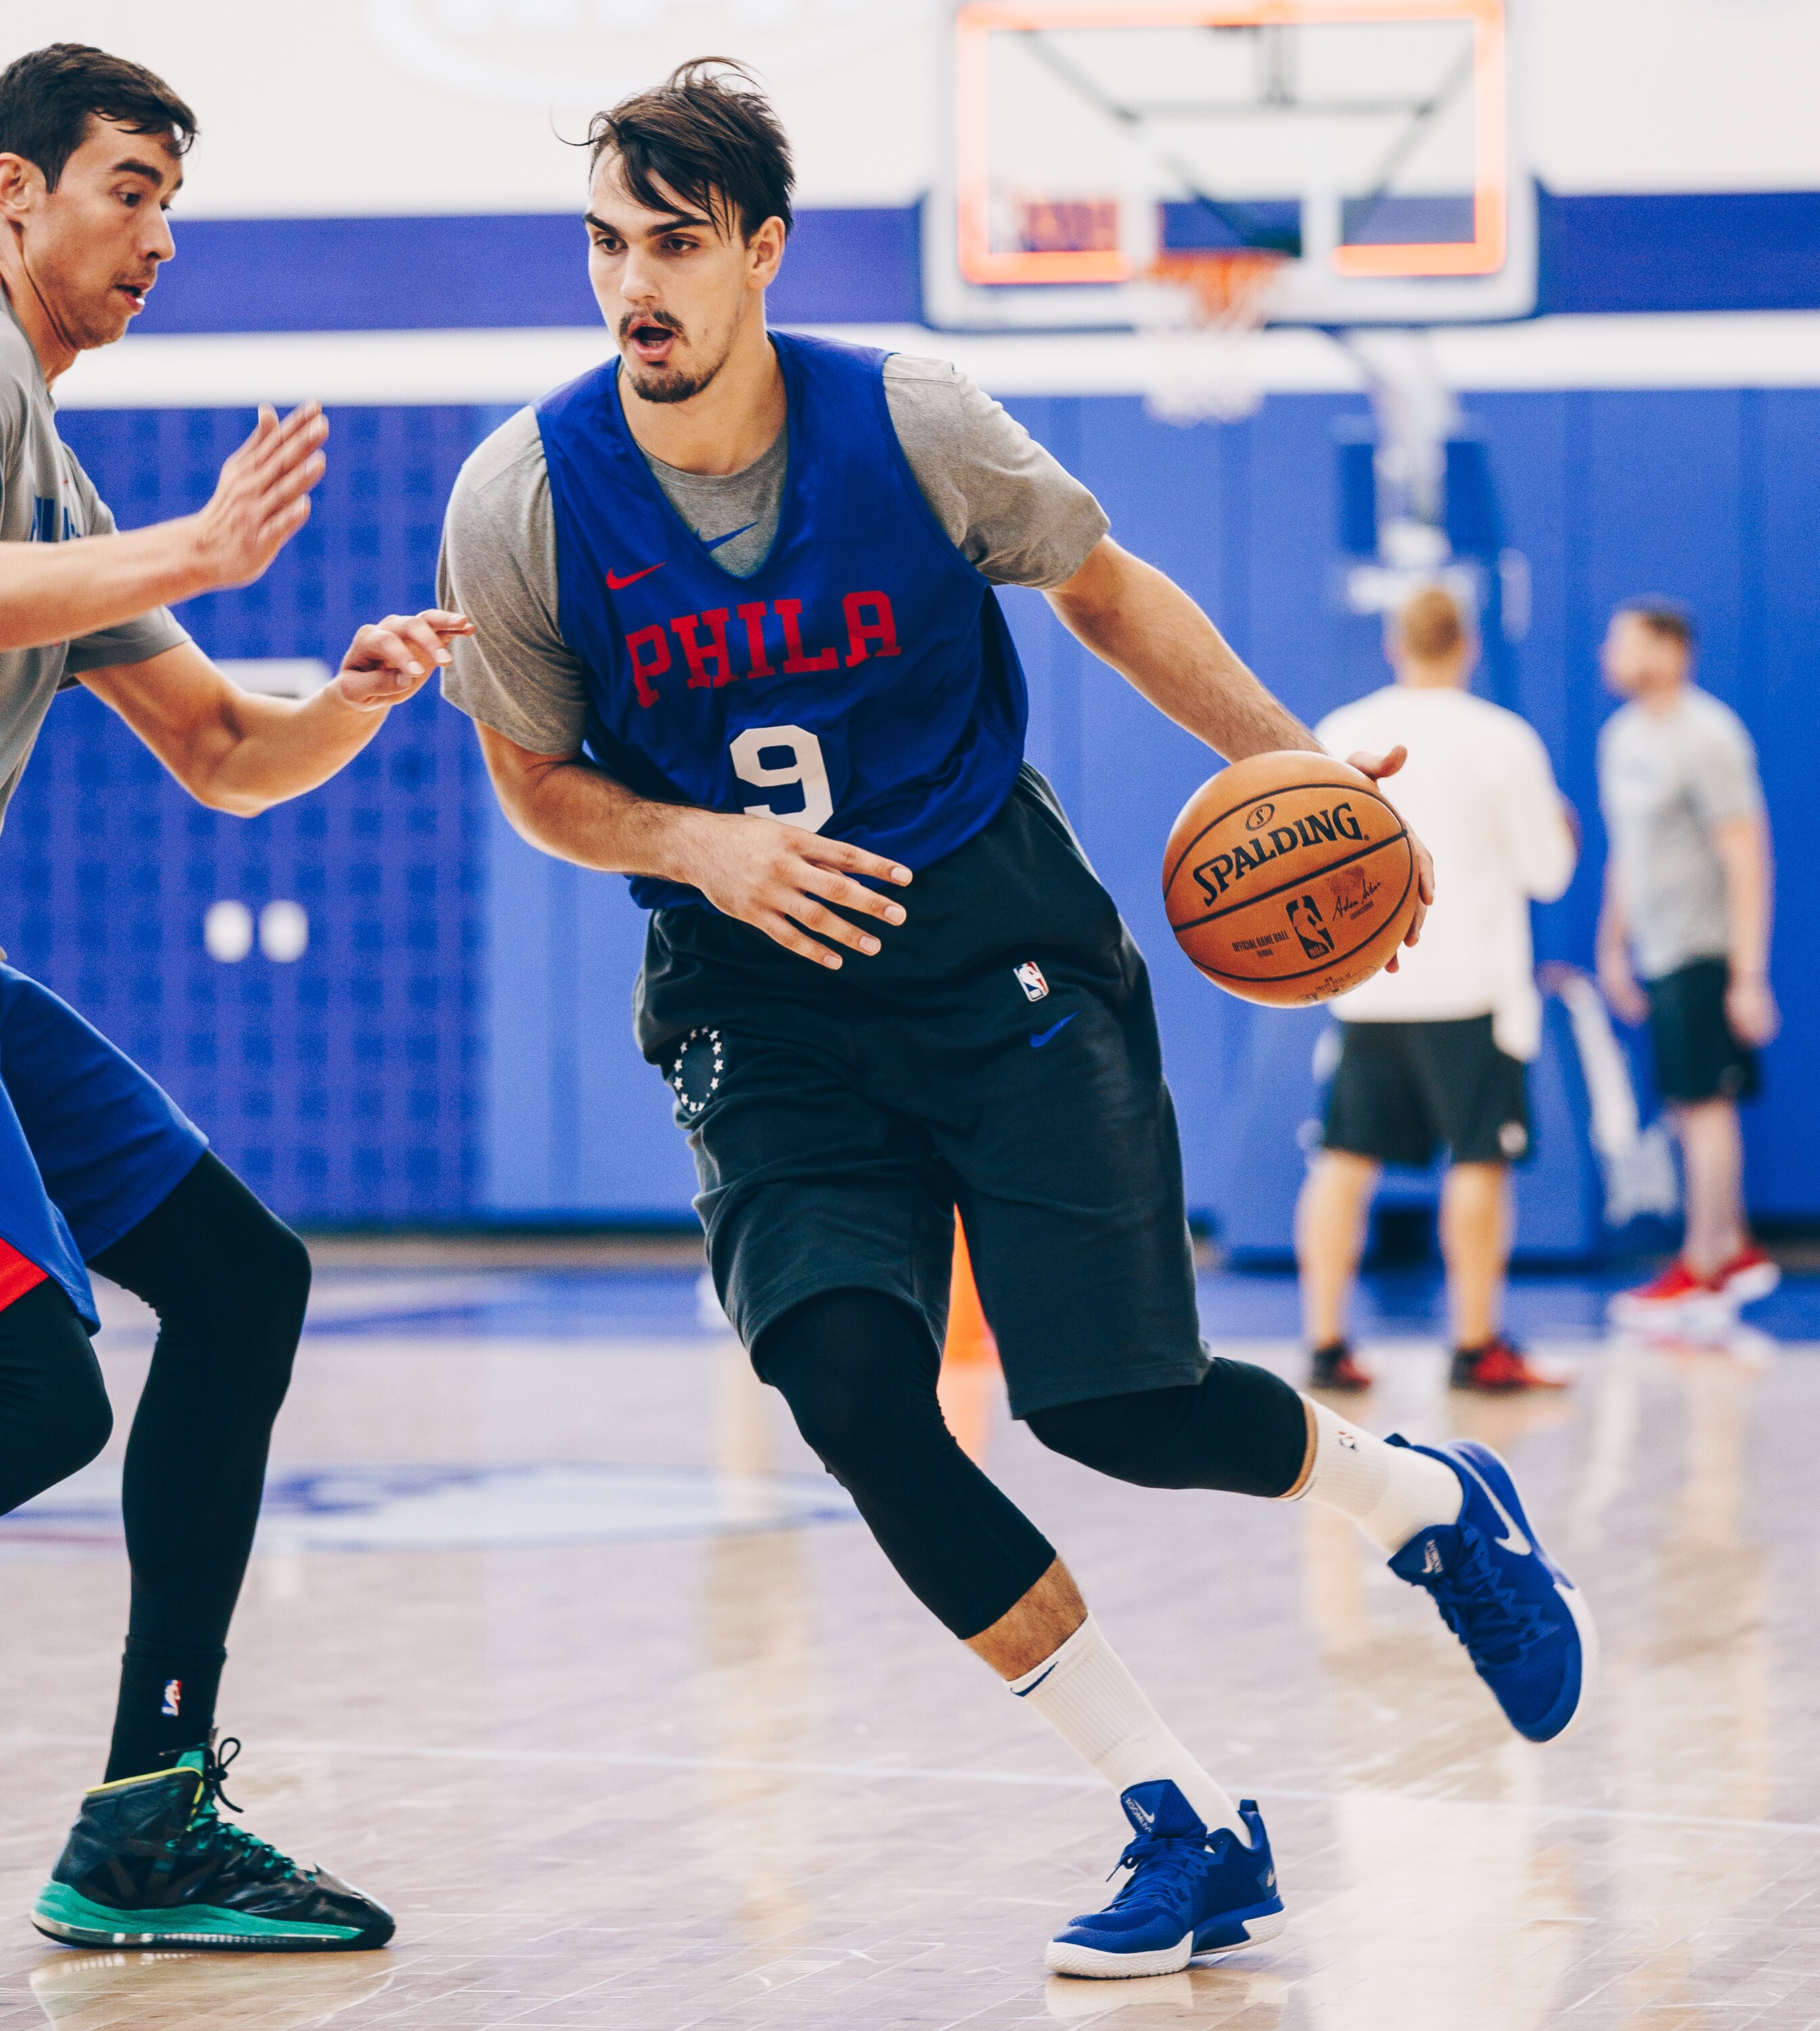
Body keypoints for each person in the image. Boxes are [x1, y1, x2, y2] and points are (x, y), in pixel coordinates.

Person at [438, 60, 1595, 1980]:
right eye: (608, 247)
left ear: (760, 252)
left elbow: (1108, 596)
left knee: (1114, 1411)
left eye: (674, 245)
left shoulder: (910, 415)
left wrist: (1308, 773)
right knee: (853, 1388)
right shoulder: (522, 498)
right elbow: (542, 788)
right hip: (760, 1000)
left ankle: (1430, 1505)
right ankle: (1182, 1816)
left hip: (998, 957)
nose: (633, 287)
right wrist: (701, 851)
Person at [0, 43, 467, 1950]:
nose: (162, 234)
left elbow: (215, 751)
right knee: (32, 1400)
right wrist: (196, 544)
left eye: (174, 199)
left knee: (240, 1278)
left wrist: (346, 701)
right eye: (129, 188)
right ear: (10, 194)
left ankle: (151, 1814)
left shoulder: (54, 455)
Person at [1300, 584, 1577, 1393]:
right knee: (1479, 1161)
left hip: (1368, 985)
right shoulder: (1503, 740)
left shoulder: (1342, 731)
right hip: (1471, 988)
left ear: (1394, 643)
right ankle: (1474, 1345)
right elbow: (1548, 873)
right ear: (1468, 645)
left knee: (1344, 1161)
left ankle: (1324, 1345)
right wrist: (1557, 827)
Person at [1595, 600, 1779, 1322]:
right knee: (1685, 1104)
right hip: (1658, 949)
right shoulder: (1621, 738)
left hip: (1706, 948)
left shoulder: (1710, 738)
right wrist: (1614, 948)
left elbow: (1747, 854)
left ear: (1669, 651)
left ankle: (1708, 1261)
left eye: (1627, 640)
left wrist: (1749, 973)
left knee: (1707, 1106)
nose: (1611, 652)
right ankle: (1729, 1245)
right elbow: (1626, 855)